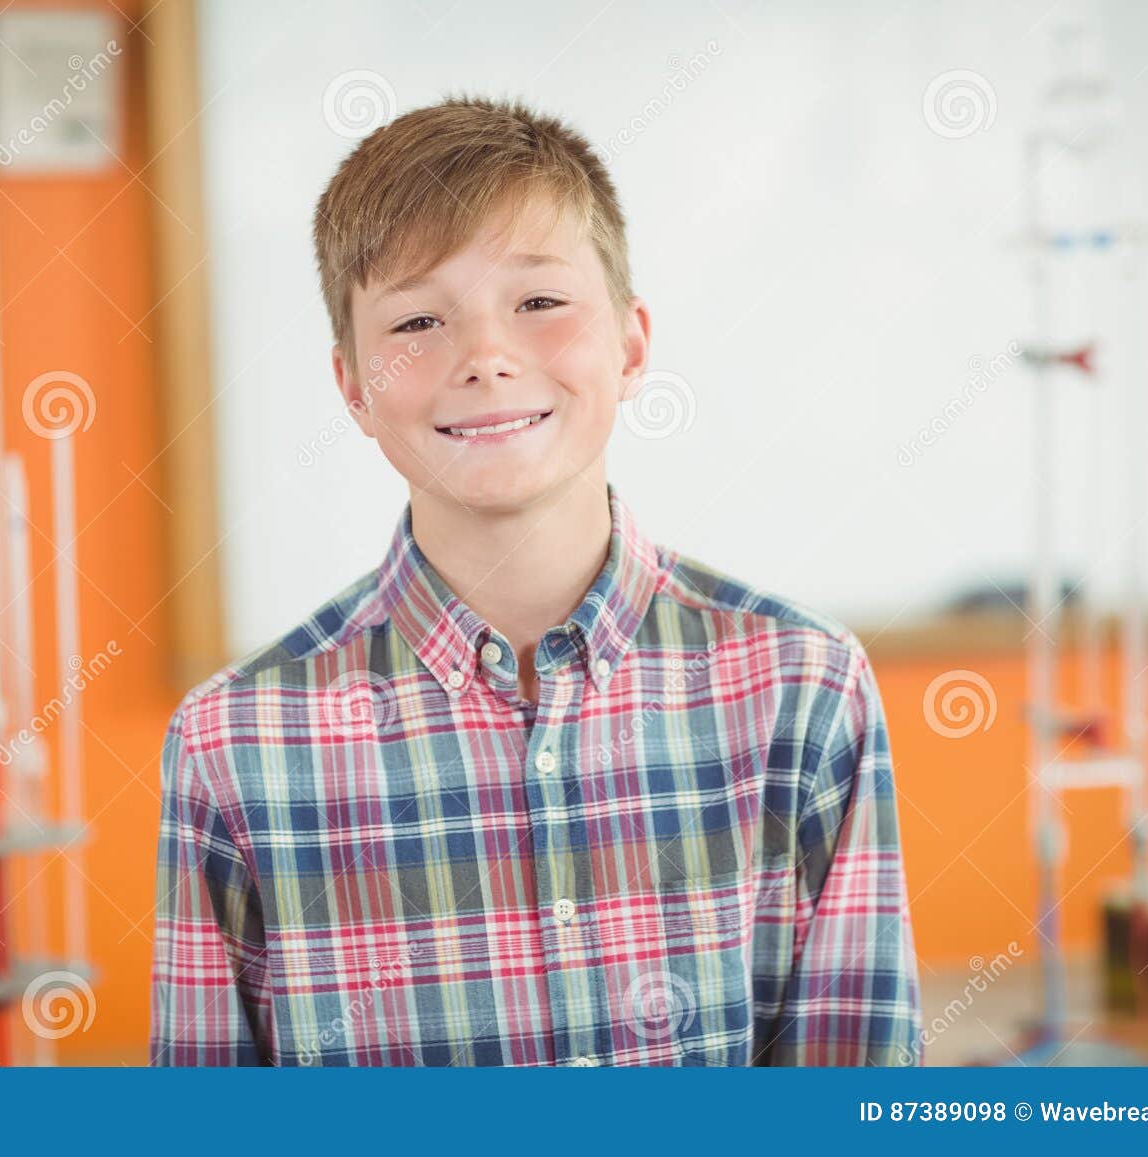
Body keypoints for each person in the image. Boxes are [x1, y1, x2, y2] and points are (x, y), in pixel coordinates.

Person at [150, 95, 921, 1066]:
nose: (485, 358)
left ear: (632, 344)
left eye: (540, 301)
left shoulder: (803, 689)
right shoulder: (236, 741)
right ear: (352, 386)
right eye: (419, 319)